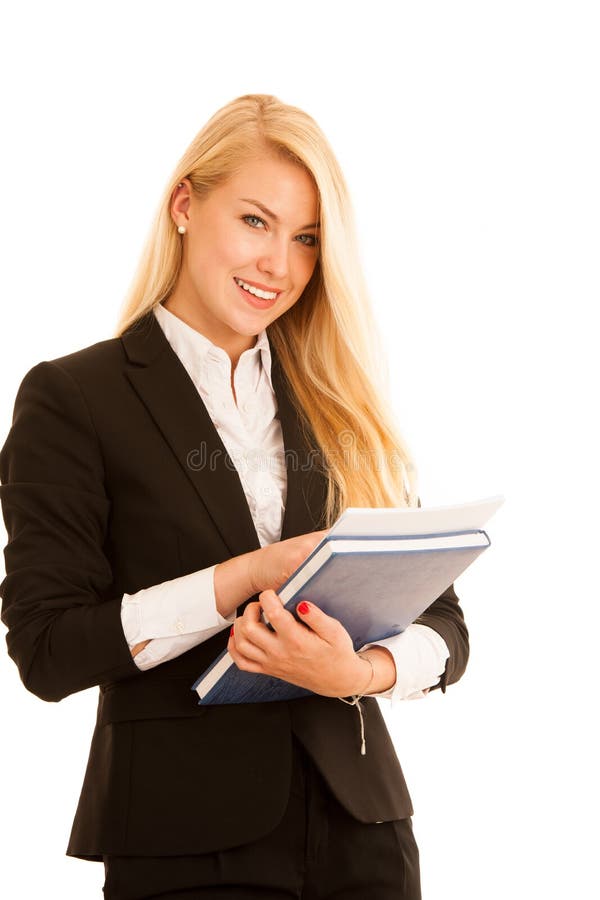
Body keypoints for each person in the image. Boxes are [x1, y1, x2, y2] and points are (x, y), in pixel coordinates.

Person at [0, 93, 469, 899]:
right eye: (256, 221)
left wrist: (357, 673)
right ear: (185, 205)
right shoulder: (75, 397)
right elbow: (47, 650)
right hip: (184, 843)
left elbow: (446, 629)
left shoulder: (336, 401)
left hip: (366, 839)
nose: (278, 266)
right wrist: (241, 579)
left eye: (307, 239)